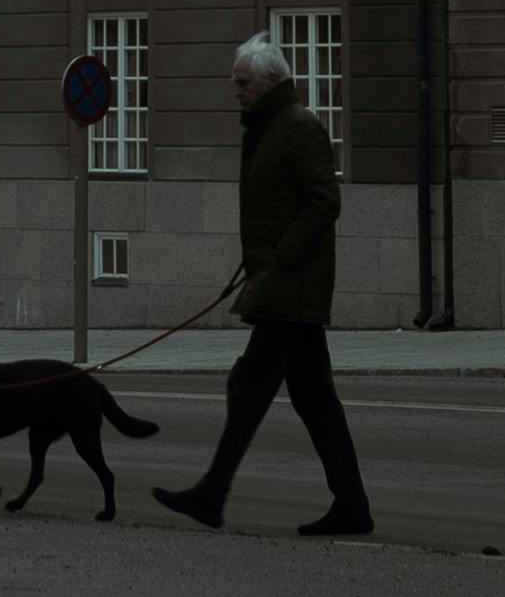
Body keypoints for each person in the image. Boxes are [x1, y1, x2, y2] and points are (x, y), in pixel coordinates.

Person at [154, 32, 372, 538]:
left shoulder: (297, 127)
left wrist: (280, 257)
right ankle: (352, 505)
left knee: (248, 383)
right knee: (315, 400)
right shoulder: (268, 126)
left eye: (243, 81)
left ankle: (212, 494)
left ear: (271, 81)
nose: (235, 90)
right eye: (234, 81)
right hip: (280, 284)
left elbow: (325, 200)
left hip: (290, 289)